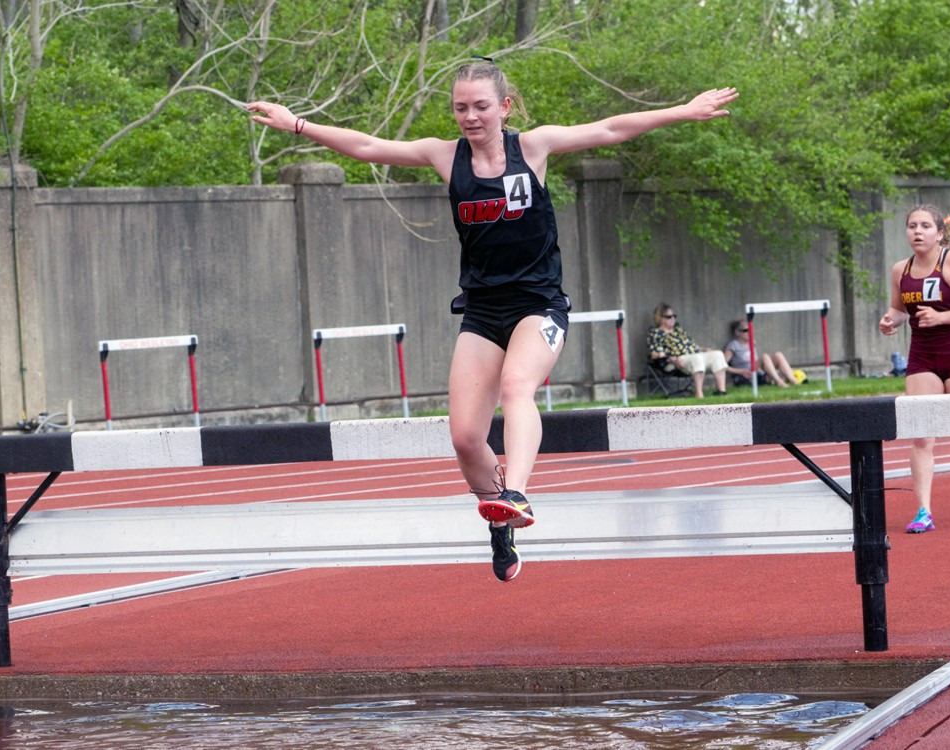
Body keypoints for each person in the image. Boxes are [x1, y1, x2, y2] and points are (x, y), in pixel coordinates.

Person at [248, 62, 737, 581]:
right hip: (482, 311)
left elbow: (611, 128)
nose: (470, 117)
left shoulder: (533, 147)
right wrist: (297, 124)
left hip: (538, 305)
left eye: (481, 106)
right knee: (464, 437)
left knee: (516, 385)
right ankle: (499, 518)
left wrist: (683, 111)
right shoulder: (444, 155)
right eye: (460, 107)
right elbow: (368, 146)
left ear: (503, 107)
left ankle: (518, 493)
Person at [879, 205, 950, 534]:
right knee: (921, 435)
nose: (917, 232)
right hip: (923, 358)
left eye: (925, 226)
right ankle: (923, 511)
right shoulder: (900, 269)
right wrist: (890, 321)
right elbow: (899, 309)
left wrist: (942, 317)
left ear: (939, 233)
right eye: (912, 226)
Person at [647, 303, 728, 398]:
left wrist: (704, 349)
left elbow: (690, 346)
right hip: (677, 360)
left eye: (674, 316)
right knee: (697, 358)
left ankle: (721, 391)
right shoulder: (656, 333)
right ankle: (699, 394)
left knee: (717, 354)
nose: (673, 319)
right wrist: (673, 359)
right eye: (669, 317)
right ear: (660, 318)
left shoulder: (678, 330)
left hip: (694, 355)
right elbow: (655, 354)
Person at [724, 319, 801, 388]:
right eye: (746, 330)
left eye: (751, 329)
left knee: (778, 355)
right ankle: (779, 382)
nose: (749, 332)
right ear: (737, 332)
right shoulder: (733, 345)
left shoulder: (752, 343)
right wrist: (741, 371)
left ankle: (793, 380)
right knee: (764, 357)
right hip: (745, 376)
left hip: (757, 373)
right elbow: (723, 366)